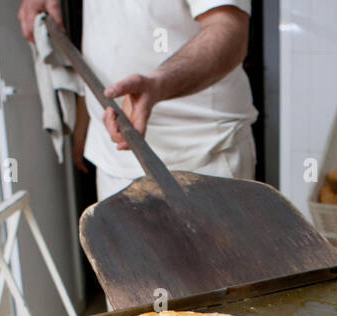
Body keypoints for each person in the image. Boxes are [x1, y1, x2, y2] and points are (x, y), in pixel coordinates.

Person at [19, 0, 257, 199]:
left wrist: (159, 83)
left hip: (201, 157)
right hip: (112, 159)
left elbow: (230, 31)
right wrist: (85, 118)